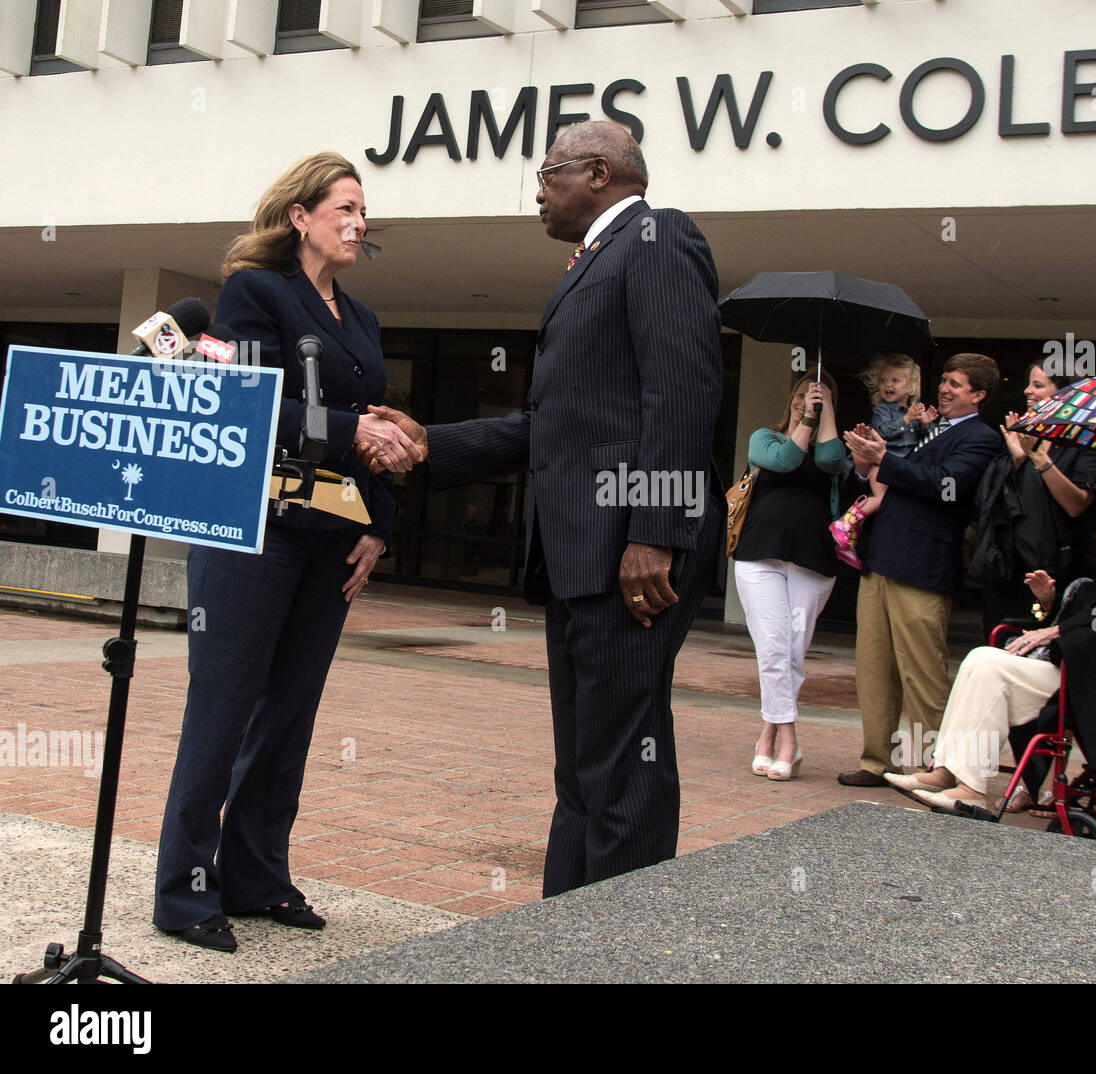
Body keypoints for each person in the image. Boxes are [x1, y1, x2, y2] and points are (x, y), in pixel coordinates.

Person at [364, 121, 724, 896]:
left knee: (623, 762)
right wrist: (435, 445)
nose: (537, 189)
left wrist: (654, 533)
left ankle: (613, 949)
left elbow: (684, 391)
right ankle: (561, 932)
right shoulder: (599, 257)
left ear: (597, 172)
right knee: (587, 762)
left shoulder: (657, 238)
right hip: (581, 553)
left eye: (547, 172)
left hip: (629, 553)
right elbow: (555, 426)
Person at [152, 152, 422, 951]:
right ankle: (184, 890)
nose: (358, 222)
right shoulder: (254, 294)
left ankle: (257, 877)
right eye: (344, 207)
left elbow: (377, 430)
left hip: (331, 541)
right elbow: (249, 404)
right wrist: (352, 432)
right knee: (223, 708)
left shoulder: (364, 320)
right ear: (300, 215)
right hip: (254, 533)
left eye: (365, 211)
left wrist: (378, 523)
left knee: (291, 715)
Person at [889, 481, 1096, 812]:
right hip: (1077, 669)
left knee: (987, 662)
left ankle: (965, 783)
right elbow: (1082, 617)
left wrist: (1057, 630)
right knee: (981, 661)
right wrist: (1050, 604)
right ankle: (950, 773)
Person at [836, 353, 1003, 787]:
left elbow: (946, 486)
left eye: (956, 384)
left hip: (924, 566)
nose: (944, 388)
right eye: (943, 380)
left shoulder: (981, 438)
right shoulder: (928, 431)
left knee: (922, 673)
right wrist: (864, 464)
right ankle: (878, 761)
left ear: (979, 395)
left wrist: (885, 459)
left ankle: (931, 766)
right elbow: (894, 484)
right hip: (882, 559)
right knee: (873, 668)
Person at [733, 374, 847, 781]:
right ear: (790, 398)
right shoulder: (765, 437)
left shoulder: (834, 444)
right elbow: (785, 461)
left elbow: (831, 461)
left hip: (812, 560)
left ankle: (769, 733)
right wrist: (804, 422)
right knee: (772, 648)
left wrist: (825, 410)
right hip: (757, 554)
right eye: (801, 394)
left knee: (791, 651)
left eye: (815, 396)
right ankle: (789, 740)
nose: (806, 401)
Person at [969, 363, 1096, 640]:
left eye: (1038, 385)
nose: (1027, 391)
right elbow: (990, 501)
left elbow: (1077, 505)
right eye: (1029, 383)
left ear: (1065, 395)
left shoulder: (1089, 442)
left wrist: (1039, 459)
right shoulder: (1026, 435)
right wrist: (1017, 461)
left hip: (1060, 571)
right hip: (1010, 568)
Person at [861, 354, 934, 457]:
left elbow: (926, 438)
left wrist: (924, 425)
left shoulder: (913, 409)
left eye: (895, 380)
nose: (888, 384)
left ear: (911, 385)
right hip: (888, 459)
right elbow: (883, 432)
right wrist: (906, 419)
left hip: (911, 460)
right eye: (883, 380)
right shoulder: (881, 410)